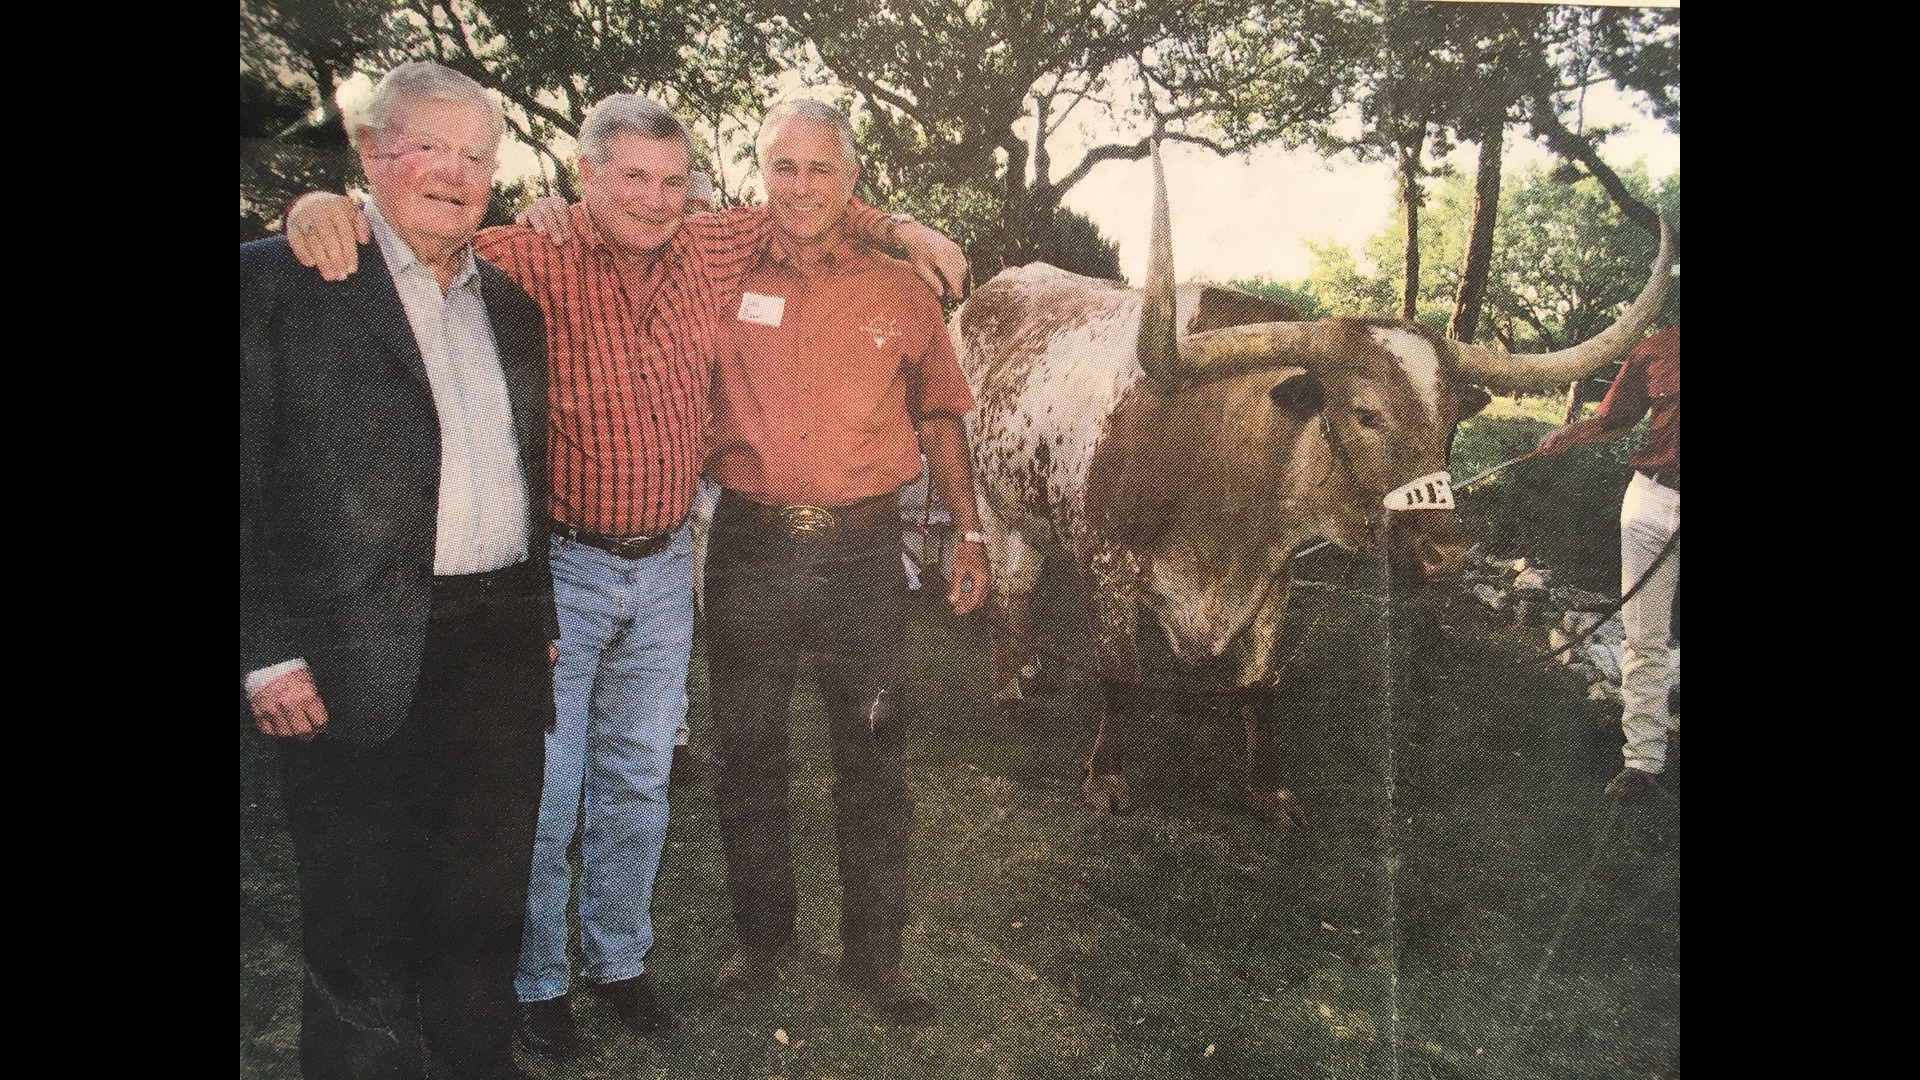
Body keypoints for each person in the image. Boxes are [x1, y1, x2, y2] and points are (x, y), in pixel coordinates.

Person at [283, 94, 968, 1055]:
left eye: (672, 180)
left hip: (660, 574)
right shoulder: (529, 254)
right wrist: (329, 206)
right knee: (551, 788)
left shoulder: (711, 248)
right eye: (632, 178)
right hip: (561, 567)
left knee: (640, 780)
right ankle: (539, 983)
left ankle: (621, 965)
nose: (654, 200)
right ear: (584, 178)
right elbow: (421, 228)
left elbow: (807, 200)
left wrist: (900, 223)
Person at [240, 61, 555, 1080]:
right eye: (429, 146)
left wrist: (535, 607)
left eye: (476, 156)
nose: (455, 174)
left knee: (481, 898)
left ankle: (473, 1061)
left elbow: (522, 469)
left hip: (498, 647)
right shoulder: (281, 283)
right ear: (372, 152)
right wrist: (264, 654)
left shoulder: (510, 305)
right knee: (359, 909)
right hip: (349, 653)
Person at [700, 99, 991, 1026]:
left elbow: (941, 413)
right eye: (783, 168)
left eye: (822, 170)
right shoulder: (717, 269)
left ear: (852, 185)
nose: (802, 188)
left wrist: (971, 532)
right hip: (749, 545)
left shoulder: (900, 288)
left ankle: (875, 960)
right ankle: (763, 939)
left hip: (863, 555)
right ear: (760, 177)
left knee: (872, 758)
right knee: (749, 752)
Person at [1533, 324, 1680, 801]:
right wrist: (1569, 434)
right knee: (1643, 636)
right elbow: (1616, 416)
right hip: (1652, 503)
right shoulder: (1658, 345)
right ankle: (1643, 762)